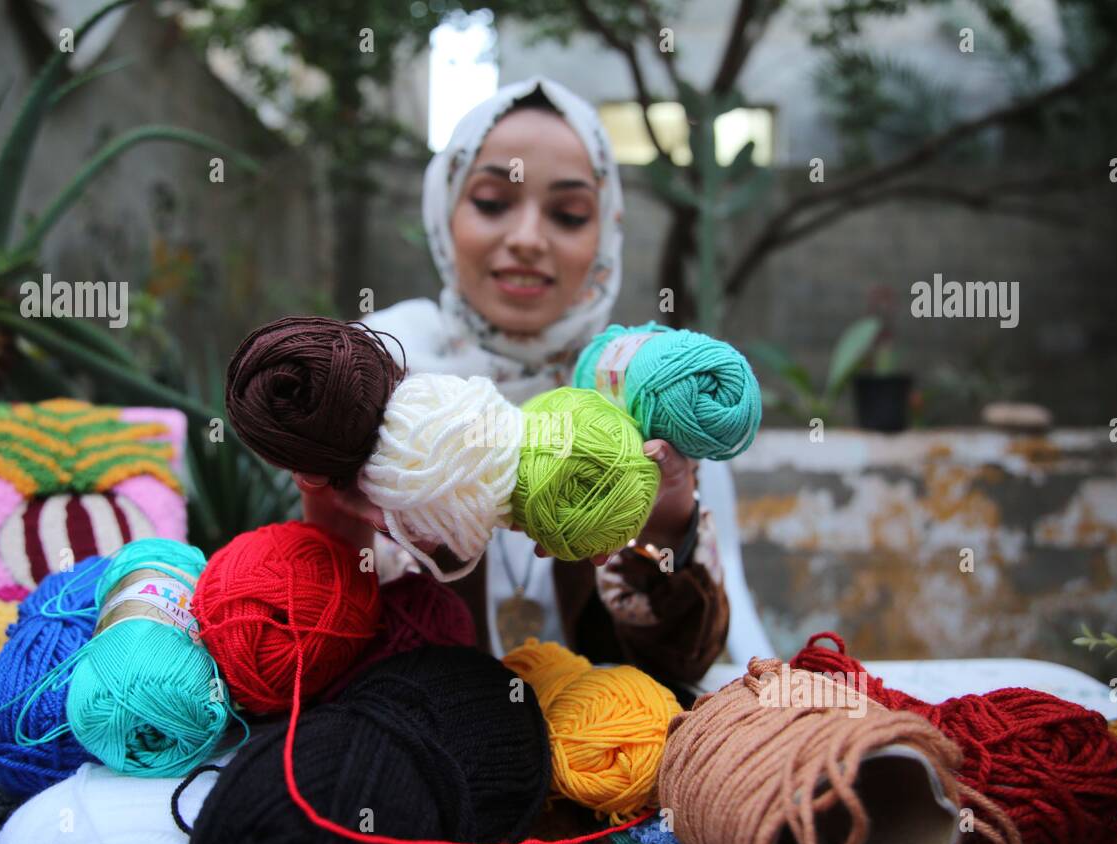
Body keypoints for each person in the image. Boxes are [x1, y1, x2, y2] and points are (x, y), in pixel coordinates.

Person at [298, 76, 771, 695]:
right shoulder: (378, 372)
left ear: (606, 234)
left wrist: (666, 529)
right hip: (421, 737)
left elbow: (682, 666)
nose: (526, 238)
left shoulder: (639, 391)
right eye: (493, 202)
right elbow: (320, 643)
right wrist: (333, 511)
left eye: (569, 214)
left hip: (592, 757)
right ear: (445, 213)